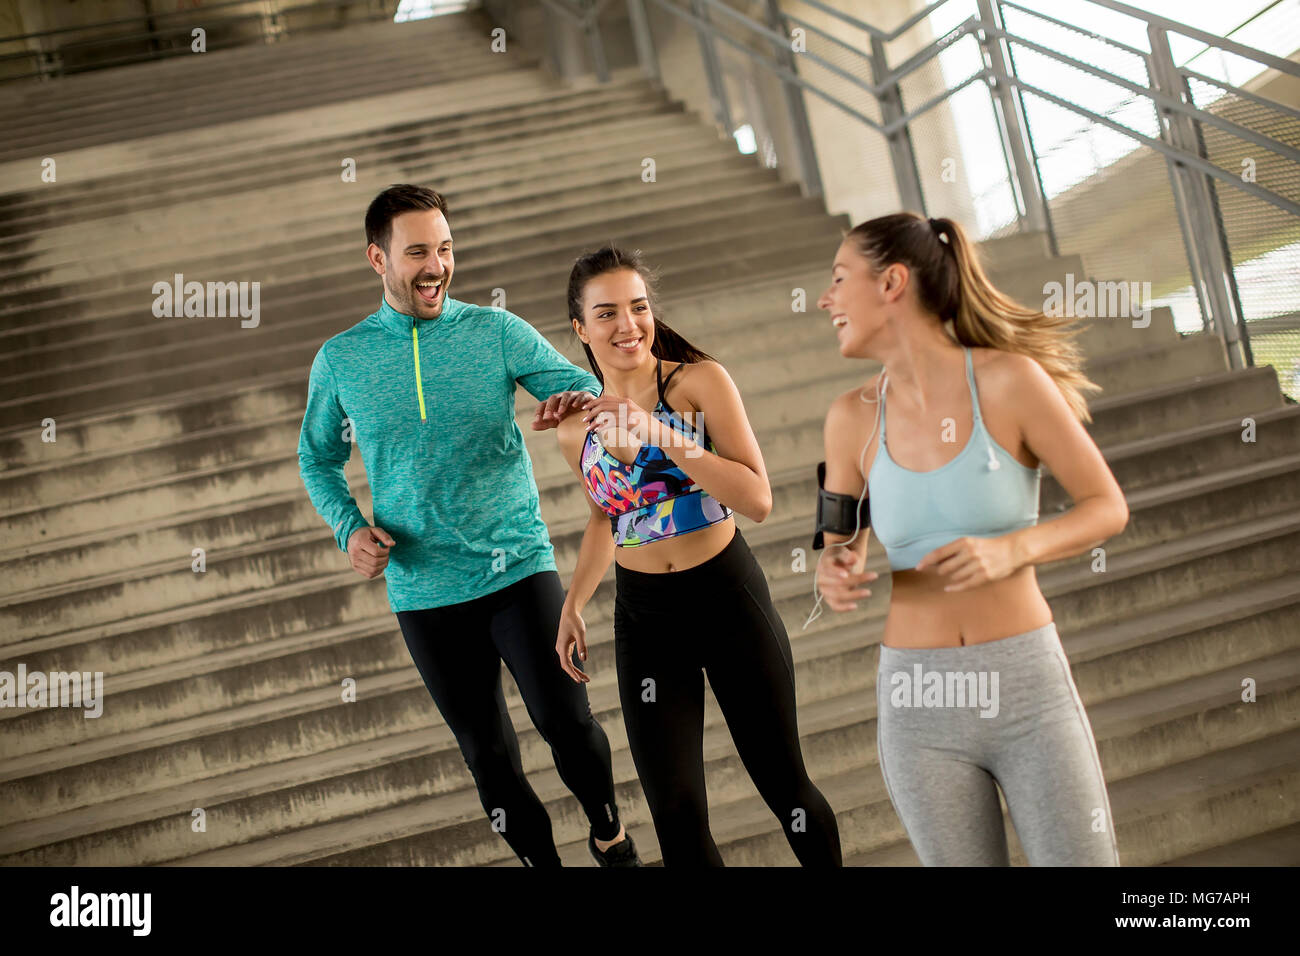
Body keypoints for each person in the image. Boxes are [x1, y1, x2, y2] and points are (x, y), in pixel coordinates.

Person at [297, 184, 640, 867]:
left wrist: (573, 407)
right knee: (488, 756)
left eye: (446, 248)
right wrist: (349, 529)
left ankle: (610, 835)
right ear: (378, 258)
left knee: (567, 723)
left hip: (516, 566)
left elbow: (594, 397)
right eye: (418, 251)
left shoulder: (495, 331)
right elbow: (318, 456)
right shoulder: (344, 359)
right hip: (425, 591)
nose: (437, 265)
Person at [811, 212, 1128, 866]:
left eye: (840, 279)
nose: (825, 299)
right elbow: (840, 535)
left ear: (893, 282)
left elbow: (1106, 508)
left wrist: (1013, 547)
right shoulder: (849, 419)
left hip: (1025, 689)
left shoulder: (1009, 381)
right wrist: (836, 567)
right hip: (918, 700)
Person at [544, 243, 842, 866]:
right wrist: (574, 604)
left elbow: (757, 498)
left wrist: (661, 434)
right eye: (606, 314)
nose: (628, 325)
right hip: (647, 618)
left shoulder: (696, 382)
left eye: (638, 307)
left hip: (726, 595)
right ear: (580, 329)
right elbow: (609, 515)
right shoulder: (578, 424)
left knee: (784, 786)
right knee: (676, 813)